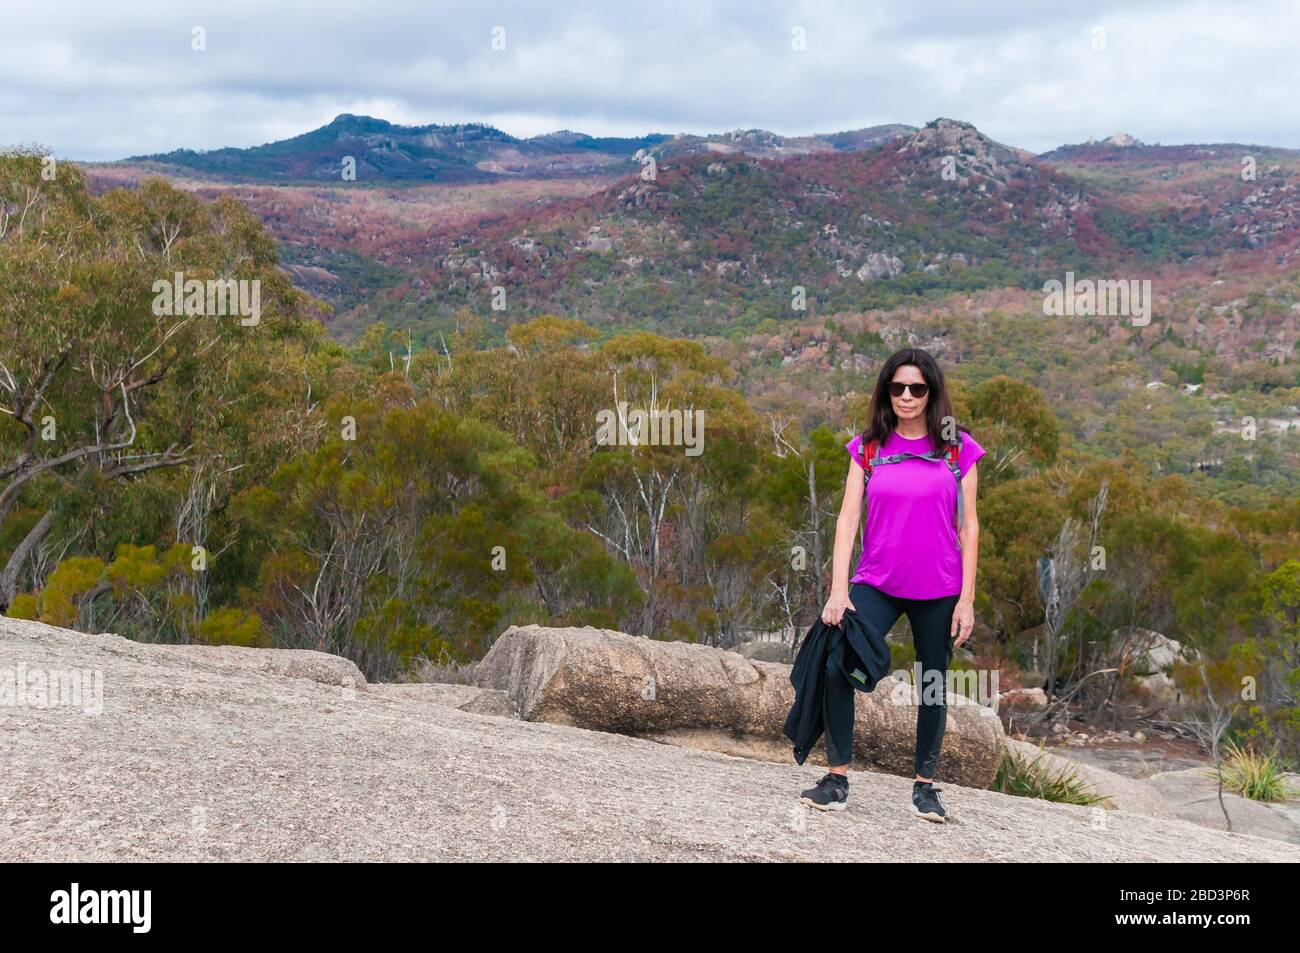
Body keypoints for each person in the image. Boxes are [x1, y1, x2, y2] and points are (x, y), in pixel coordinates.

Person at [798, 347, 984, 822]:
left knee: (933, 683)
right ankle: (837, 779)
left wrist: (966, 599)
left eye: (917, 388)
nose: (906, 396)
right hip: (876, 582)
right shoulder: (868, 447)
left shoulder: (956, 446)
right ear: (886, 390)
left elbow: (971, 527)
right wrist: (839, 590)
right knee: (837, 664)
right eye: (897, 387)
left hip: (939, 587)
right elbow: (847, 518)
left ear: (931, 393)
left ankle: (925, 787)